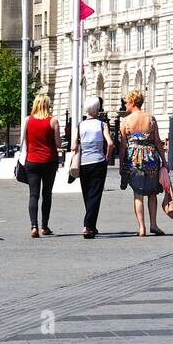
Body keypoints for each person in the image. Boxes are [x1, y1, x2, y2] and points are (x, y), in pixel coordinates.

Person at [118, 89, 168, 236]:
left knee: (138, 193)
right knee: (152, 193)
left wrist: (121, 164)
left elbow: (122, 146)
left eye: (126, 102)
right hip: (151, 159)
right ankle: (154, 224)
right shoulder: (151, 119)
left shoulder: (125, 122)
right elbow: (158, 142)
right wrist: (164, 161)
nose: (125, 104)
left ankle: (142, 228)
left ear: (133, 102)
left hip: (133, 160)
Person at [71, 97, 115, 238]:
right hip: (98, 162)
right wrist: (107, 156)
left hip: (84, 163)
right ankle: (87, 225)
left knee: (87, 194)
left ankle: (91, 226)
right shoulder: (102, 125)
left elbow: (73, 146)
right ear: (97, 110)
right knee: (95, 195)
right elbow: (110, 143)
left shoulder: (79, 125)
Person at [24, 93, 61, 238]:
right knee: (47, 194)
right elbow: (58, 143)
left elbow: (26, 142)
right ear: (48, 105)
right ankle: (45, 226)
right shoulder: (53, 121)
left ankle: (34, 226)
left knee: (33, 194)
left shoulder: (28, 120)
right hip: (49, 161)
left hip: (32, 160)